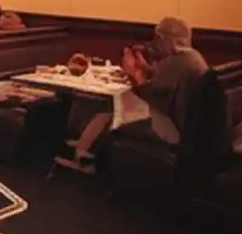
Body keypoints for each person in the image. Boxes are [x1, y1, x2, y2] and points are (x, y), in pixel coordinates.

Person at [57, 16, 208, 173]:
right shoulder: (193, 58)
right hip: (190, 129)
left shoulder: (176, 62)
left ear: (165, 40)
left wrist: (133, 73)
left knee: (114, 109)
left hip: (173, 131)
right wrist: (144, 66)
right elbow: (163, 85)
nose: (155, 44)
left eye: (157, 39)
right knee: (115, 111)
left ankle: (83, 157)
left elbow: (149, 94)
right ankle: (87, 150)